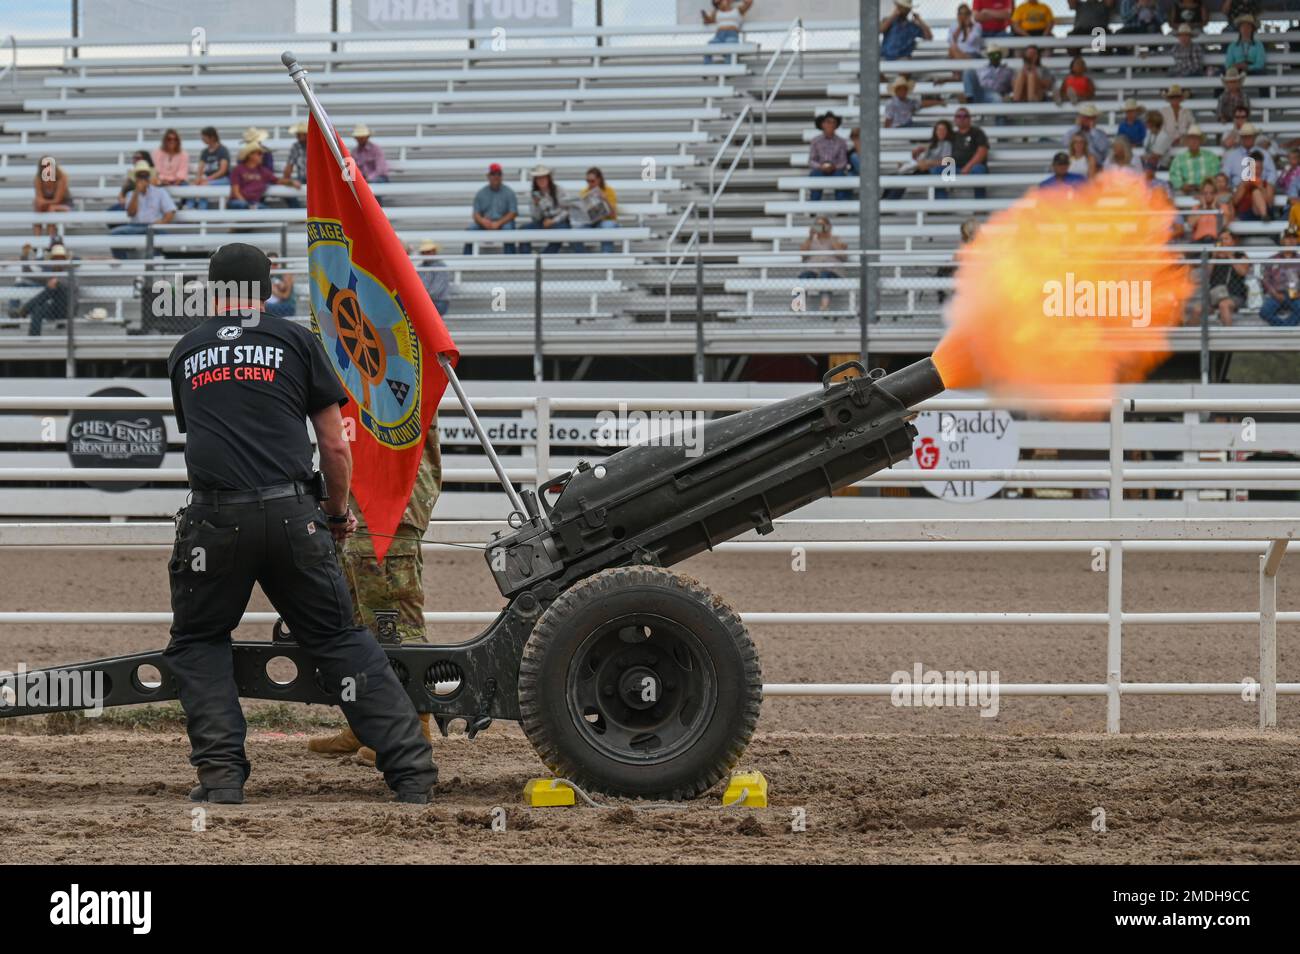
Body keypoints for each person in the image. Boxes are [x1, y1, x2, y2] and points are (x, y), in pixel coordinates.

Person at [164, 243, 437, 804]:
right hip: (293, 517)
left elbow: (201, 429)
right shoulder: (295, 341)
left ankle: (221, 781)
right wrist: (335, 515)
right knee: (340, 637)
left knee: (199, 641)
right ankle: (411, 771)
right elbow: (335, 446)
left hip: (214, 521)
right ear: (269, 290)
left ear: (213, 291)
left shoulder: (185, 351)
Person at [307, 430, 443, 764]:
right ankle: (368, 724)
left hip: (387, 498)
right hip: (358, 496)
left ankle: (411, 730)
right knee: (359, 621)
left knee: (394, 623)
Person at [110, 159, 177, 260]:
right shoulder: (130, 194)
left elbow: (170, 212)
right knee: (115, 234)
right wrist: (136, 192)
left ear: (148, 176)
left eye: (145, 175)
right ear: (136, 178)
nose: (142, 178)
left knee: (165, 238)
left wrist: (162, 222)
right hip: (135, 226)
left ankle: (155, 261)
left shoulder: (160, 192)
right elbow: (131, 213)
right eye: (140, 176)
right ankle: (124, 263)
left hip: (154, 226)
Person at [8, 242, 73, 335]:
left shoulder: (70, 271)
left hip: (67, 309)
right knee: (38, 310)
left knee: (55, 285)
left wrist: (57, 282)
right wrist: (24, 257)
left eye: (60, 258)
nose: (57, 261)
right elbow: (28, 274)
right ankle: (34, 338)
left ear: (65, 259)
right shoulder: (50, 275)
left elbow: (71, 288)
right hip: (55, 309)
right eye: (55, 259)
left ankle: (24, 311)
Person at [883, 118, 953, 199]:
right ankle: (884, 202)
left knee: (900, 179)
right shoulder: (933, 145)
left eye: (943, 129)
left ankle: (889, 204)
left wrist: (928, 162)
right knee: (892, 177)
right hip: (922, 169)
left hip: (930, 171)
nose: (941, 132)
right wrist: (916, 155)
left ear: (948, 132)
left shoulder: (947, 144)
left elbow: (947, 161)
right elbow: (921, 161)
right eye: (939, 129)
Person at [932, 107, 989, 198]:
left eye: (965, 116)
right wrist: (922, 149)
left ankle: (980, 206)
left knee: (979, 170)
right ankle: (942, 206)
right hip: (955, 168)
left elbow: (982, 151)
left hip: (973, 168)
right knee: (936, 170)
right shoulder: (952, 135)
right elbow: (939, 143)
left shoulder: (977, 132)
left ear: (969, 119)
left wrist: (967, 167)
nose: (962, 118)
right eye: (958, 116)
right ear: (955, 119)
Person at [465, 162, 518, 254]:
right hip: (486, 223)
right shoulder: (481, 193)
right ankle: (466, 261)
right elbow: (475, 214)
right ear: (488, 176)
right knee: (470, 230)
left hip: (503, 222)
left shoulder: (509, 192)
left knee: (508, 229)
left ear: (502, 176)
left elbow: (513, 212)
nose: (496, 177)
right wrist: (482, 221)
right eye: (493, 174)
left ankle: (510, 260)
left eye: (498, 174)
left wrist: (498, 222)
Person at [523, 164, 577, 254]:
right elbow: (535, 217)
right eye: (538, 178)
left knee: (560, 232)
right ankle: (526, 259)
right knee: (523, 231)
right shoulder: (534, 194)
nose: (541, 181)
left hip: (559, 221)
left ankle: (544, 256)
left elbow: (567, 210)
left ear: (548, 178)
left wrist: (553, 221)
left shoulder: (559, 190)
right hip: (543, 221)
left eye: (543, 178)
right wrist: (536, 205)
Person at [796, 217, 847, 312]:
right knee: (804, 276)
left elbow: (842, 256)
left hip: (831, 271)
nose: (821, 228)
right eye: (818, 225)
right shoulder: (810, 241)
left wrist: (830, 236)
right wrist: (810, 237)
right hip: (813, 270)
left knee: (825, 276)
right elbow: (803, 255)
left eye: (823, 225)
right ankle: (798, 306)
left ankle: (824, 306)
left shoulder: (836, 239)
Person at [1222, 123, 1276, 204]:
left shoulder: (1265, 154)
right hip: (1238, 191)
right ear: (1241, 137)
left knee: (1258, 193)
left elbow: (1272, 174)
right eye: (1245, 136)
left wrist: (1264, 186)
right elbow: (1225, 175)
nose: (1247, 138)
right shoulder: (1232, 156)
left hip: (1260, 189)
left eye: (1250, 136)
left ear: (1254, 137)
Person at [1207, 229, 1250, 325]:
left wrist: (1230, 256)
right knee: (1197, 309)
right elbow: (1206, 274)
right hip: (1215, 295)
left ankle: (1227, 337)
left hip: (1235, 295)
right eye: (1221, 239)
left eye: (1226, 239)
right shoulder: (1214, 257)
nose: (1223, 242)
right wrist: (1214, 257)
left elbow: (1243, 272)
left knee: (1224, 305)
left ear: (1233, 241)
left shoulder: (1241, 256)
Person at [1259, 228, 1300, 325]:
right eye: (1288, 238)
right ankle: (1286, 327)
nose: (1291, 241)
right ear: (1282, 241)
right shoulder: (1272, 260)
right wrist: (1275, 294)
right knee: (1264, 312)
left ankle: (1285, 328)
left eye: (1294, 238)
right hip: (1276, 294)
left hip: (1296, 295)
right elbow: (1266, 280)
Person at [809, 110, 852, 201]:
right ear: (822, 124)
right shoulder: (815, 141)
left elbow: (843, 161)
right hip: (820, 169)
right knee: (815, 178)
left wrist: (834, 167)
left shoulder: (841, 141)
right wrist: (820, 166)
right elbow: (812, 160)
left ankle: (841, 209)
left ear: (836, 126)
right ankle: (813, 208)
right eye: (828, 122)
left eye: (833, 123)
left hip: (835, 169)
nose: (831, 125)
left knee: (841, 178)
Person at [578, 167, 620, 253]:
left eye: (592, 181)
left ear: (599, 180)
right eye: (587, 181)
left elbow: (613, 215)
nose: (590, 183)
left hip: (606, 221)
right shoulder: (584, 192)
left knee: (607, 227)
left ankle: (606, 259)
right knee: (574, 232)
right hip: (590, 223)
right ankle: (583, 259)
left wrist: (605, 200)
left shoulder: (609, 191)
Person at [1169, 127, 1221, 195]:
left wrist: (1206, 185)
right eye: (1191, 139)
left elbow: (1215, 174)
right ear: (1187, 142)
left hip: (1207, 191)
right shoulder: (1179, 159)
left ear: (1200, 141)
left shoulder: (1211, 157)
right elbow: (1174, 176)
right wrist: (1182, 186)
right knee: (1177, 194)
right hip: (1186, 191)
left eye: (1196, 139)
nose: (1193, 141)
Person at [32, 156, 71, 239]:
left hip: (63, 204)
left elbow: (58, 200)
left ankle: (50, 238)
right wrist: (41, 203)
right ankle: (36, 240)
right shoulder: (38, 179)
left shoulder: (61, 178)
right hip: (49, 204)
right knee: (38, 207)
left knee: (51, 209)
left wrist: (42, 202)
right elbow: (39, 198)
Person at [229, 142, 278, 209]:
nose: (262, 156)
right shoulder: (238, 169)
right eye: (259, 154)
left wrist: (291, 182)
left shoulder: (263, 171)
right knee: (243, 205)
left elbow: (277, 180)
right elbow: (235, 192)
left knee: (267, 211)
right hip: (240, 201)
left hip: (252, 203)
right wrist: (247, 205)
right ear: (250, 155)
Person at [351, 124, 390, 204]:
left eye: (362, 136)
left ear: (367, 137)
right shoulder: (354, 152)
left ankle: (376, 206)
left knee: (373, 184)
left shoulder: (376, 149)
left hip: (378, 178)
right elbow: (354, 170)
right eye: (359, 137)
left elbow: (380, 170)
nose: (360, 138)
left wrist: (367, 179)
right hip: (365, 179)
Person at [193, 127, 230, 210]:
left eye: (204, 137)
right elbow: (200, 168)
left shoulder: (222, 150)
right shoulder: (205, 152)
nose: (202, 139)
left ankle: (202, 212)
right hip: (210, 180)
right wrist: (198, 178)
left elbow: (222, 171)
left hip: (223, 179)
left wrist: (208, 179)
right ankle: (197, 209)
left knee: (203, 186)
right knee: (195, 186)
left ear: (212, 137)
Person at [413, 239, 452, 316]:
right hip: (427, 300)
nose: (426, 254)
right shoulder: (420, 267)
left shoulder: (441, 266)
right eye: (424, 252)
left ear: (434, 252)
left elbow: (437, 289)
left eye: (428, 252)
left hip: (438, 301)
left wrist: (420, 296)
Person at [1190, 177, 1233, 242]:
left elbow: (1224, 223)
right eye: (1205, 193)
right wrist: (1203, 209)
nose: (1208, 195)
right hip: (1199, 241)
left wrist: (1214, 208)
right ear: (1202, 194)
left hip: (1216, 241)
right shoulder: (1196, 207)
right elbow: (1191, 223)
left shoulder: (1223, 207)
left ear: (1216, 194)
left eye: (1211, 193)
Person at [279, 121, 309, 209]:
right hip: (303, 178)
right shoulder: (296, 146)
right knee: (284, 190)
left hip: (317, 178)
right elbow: (289, 166)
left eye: (300, 134)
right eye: (298, 134)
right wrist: (287, 181)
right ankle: (297, 209)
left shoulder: (317, 145)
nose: (298, 137)